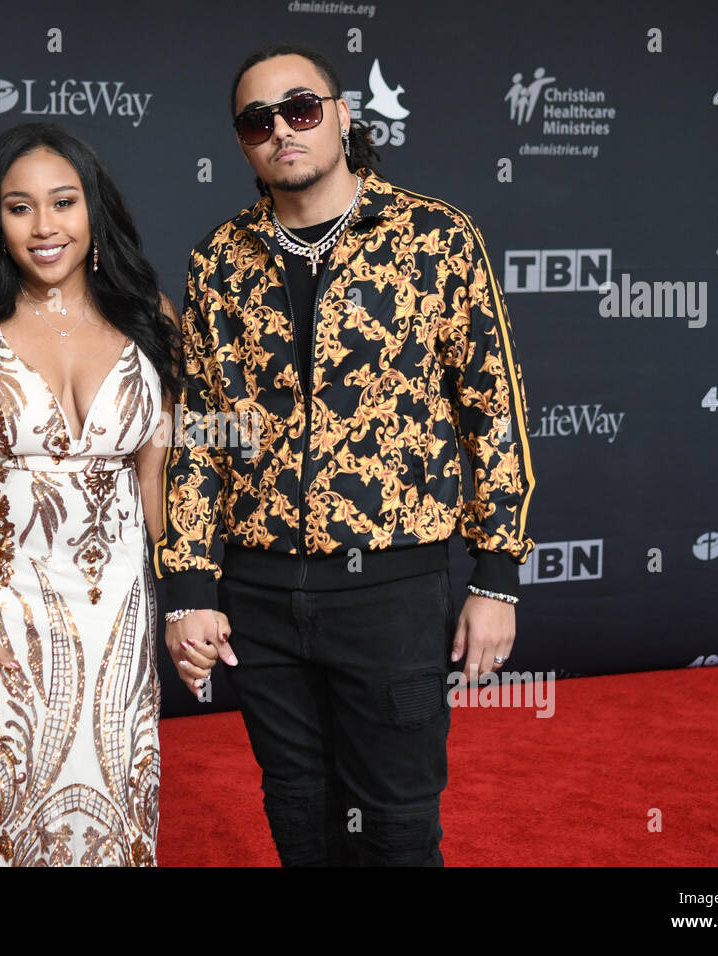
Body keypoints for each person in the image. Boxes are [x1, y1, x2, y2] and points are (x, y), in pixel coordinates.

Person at [155, 43, 537, 866]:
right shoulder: (218, 260)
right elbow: (198, 431)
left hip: (393, 591)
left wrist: (496, 574)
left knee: (397, 824)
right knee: (298, 812)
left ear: (341, 114)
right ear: (241, 142)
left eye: (300, 109)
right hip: (257, 593)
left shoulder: (435, 239)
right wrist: (188, 584)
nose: (282, 132)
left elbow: (492, 414)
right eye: (259, 121)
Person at [0, 121, 194, 866]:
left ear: (93, 209)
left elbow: (157, 480)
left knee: (110, 804)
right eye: (19, 206)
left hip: (112, 612)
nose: (44, 226)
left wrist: (191, 598)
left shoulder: (148, 316)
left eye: (62, 202)